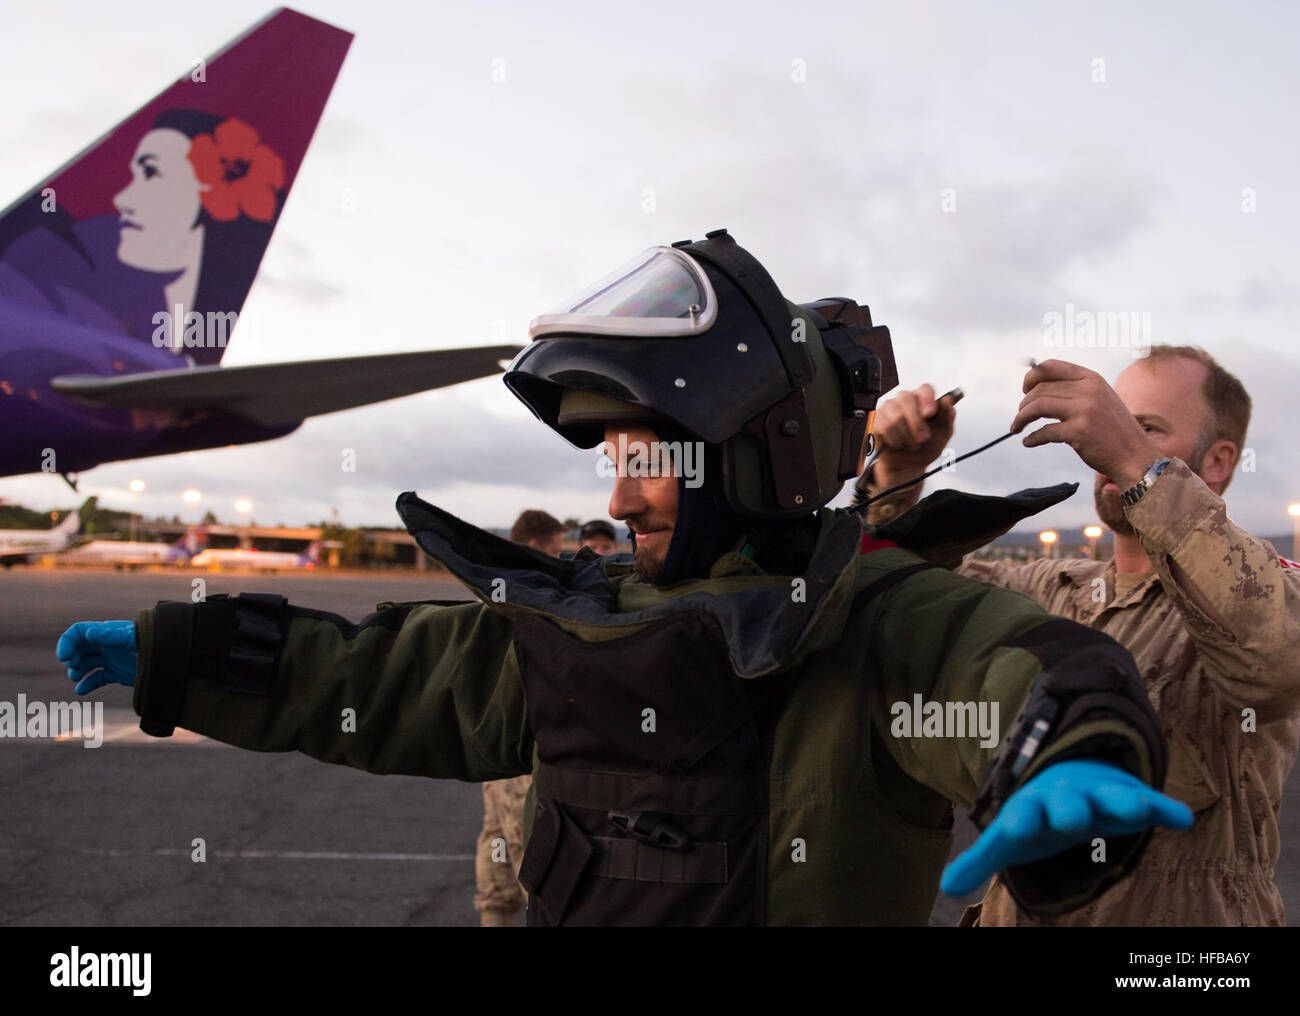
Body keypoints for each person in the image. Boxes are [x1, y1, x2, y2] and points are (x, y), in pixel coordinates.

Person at [58, 230, 1192, 926]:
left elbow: (1019, 665)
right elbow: (383, 672)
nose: (616, 498)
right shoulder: (585, 620)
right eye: (609, 460)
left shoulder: (878, 619)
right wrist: (184, 652)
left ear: (744, 455)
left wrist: (1067, 749)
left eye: (645, 459)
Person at [856, 347, 1300, 925]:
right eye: (1114, 417)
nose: (1105, 441)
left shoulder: (1262, 592)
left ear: (1217, 461)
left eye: (1145, 426)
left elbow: (1275, 660)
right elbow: (898, 601)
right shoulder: (1048, 585)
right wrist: (896, 478)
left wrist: (1135, 461)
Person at [473, 509, 566, 926]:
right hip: (523, 747)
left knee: (495, 844)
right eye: (553, 551)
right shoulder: (528, 591)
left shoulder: (493, 585)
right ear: (534, 547)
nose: (557, 559)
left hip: (497, 745)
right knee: (533, 867)